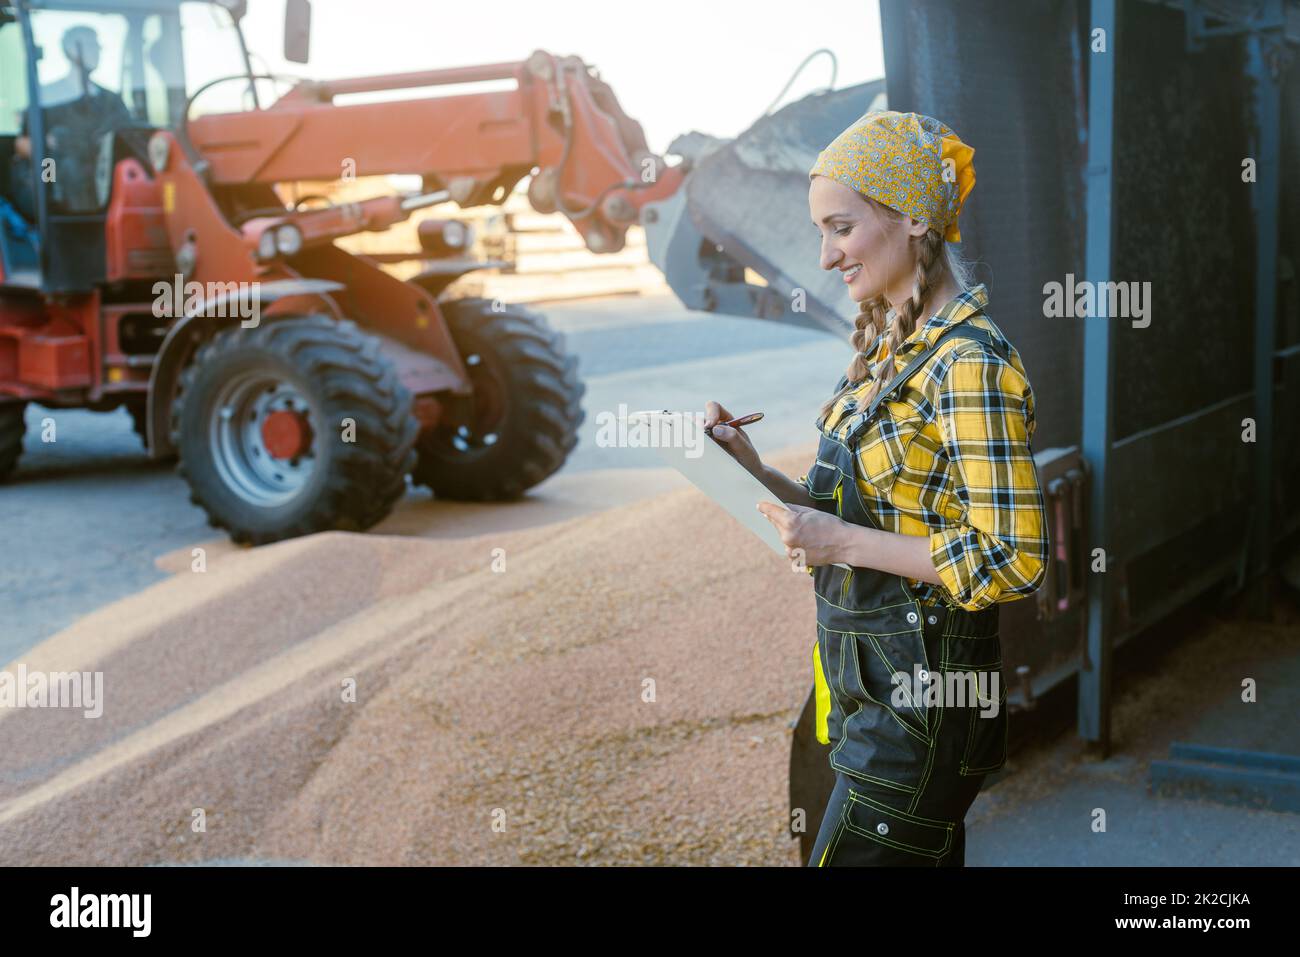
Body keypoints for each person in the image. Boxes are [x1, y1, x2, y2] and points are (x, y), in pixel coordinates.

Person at [704, 110, 1049, 866]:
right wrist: (748, 465)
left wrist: (840, 542)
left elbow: (1014, 557)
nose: (825, 257)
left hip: (923, 707)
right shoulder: (888, 350)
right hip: (862, 682)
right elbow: (850, 513)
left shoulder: (970, 365)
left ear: (914, 218)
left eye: (841, 228)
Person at [11, 24, 133, 216]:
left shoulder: (110, 100)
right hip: (55, 183)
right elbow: (23, 143)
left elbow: (128, 140)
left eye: (97, 47)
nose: (96, 52)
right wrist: (50, 149)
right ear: (70, 49)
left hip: (103, 189)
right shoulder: (46, 97)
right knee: (48, 168)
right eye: (89, 45)